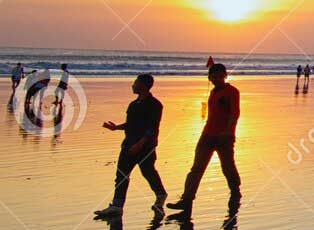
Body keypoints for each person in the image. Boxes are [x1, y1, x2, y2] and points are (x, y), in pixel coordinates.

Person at [169, 62, 242, 215]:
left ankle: (235, 191)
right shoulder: (213, 92)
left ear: (225, 76)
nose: (215, 79)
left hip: (224, 137)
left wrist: (228, 132)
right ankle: (186, 200)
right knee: (196, 169)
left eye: (219, 76)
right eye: (213, 77)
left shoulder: (232, 92)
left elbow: (235, 114)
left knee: (227, 167)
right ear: (209, 78)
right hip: (207, 135)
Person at [95, 73, 167, 218]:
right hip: (128, 144)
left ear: (144, 85)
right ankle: (117, 206)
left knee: (148, 172)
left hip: (146, 147)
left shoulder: (155, 105)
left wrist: (140, 144)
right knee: (121, 174)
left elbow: (152, 128)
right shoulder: (133, 105)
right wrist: (116, 128)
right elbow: (131, 124)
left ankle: (160, 194)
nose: (133, 85)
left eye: (135, 82)